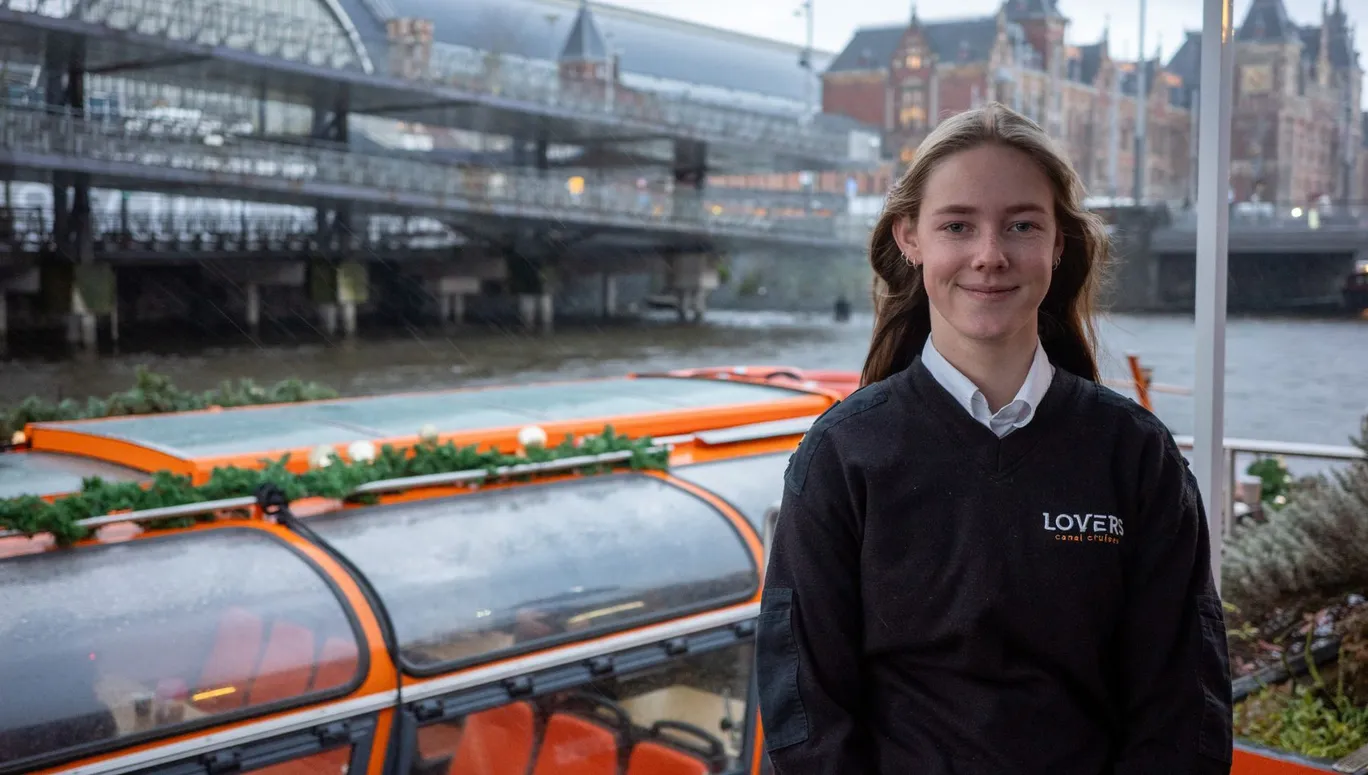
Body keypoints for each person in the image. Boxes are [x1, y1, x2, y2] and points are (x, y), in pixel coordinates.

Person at [756, 102, 1233, 775]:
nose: (989, 255)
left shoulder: (1134, 457)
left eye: (1021, 224)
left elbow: (1183, 706)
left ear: (1057, 244)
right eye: (958, 225)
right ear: (910, 237)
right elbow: (807, 711)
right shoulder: (843, 456)